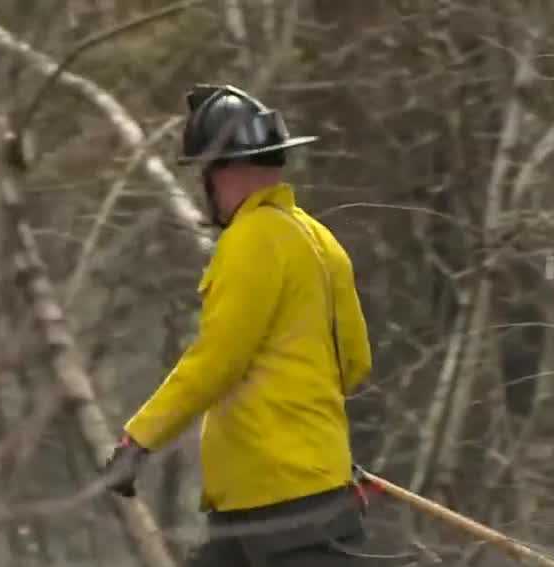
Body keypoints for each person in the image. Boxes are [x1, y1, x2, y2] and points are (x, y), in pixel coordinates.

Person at [103, 84, 376, 566]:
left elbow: (216, 362)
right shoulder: (320, 240)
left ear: (223, 172)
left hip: (276, 512)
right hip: (305, 501)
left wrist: (139, 440)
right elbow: (354, 364)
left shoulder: (250, 240)